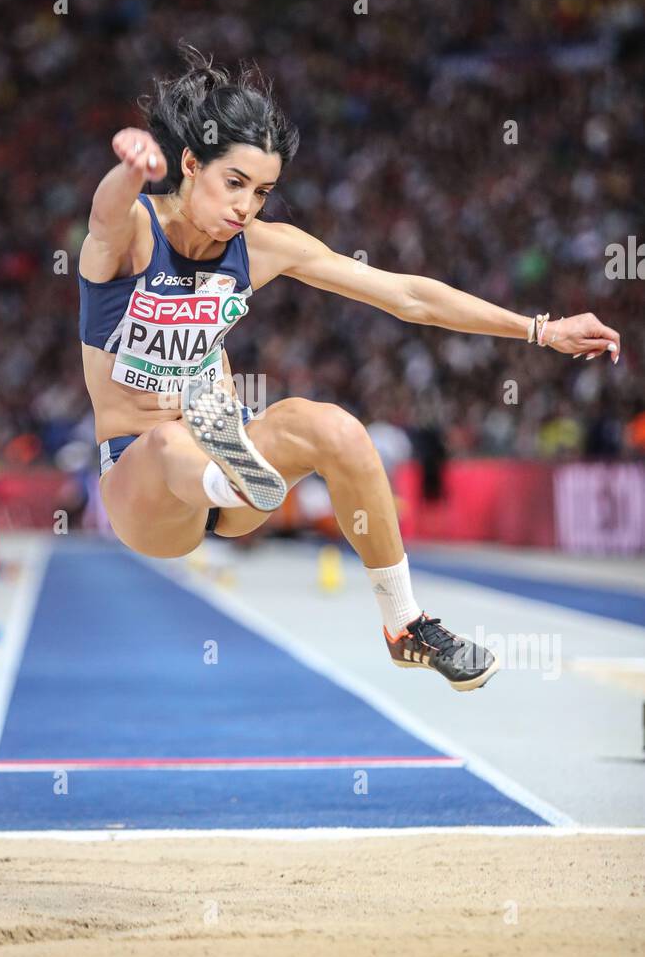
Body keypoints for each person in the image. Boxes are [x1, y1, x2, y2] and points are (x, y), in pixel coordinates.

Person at [78, 46, 621, 692]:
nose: (247, 207)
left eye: (262, 192)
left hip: (228, 448)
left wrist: (539, 329)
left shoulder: (264, 247)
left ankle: (405, 624)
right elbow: (105, 217)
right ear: (191, 165)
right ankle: (235, 475)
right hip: (147, 486)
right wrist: (130, 170)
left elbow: (407, 295)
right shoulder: (135, 235)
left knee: (333, 427)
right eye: (235, 183)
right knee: (171, 440)